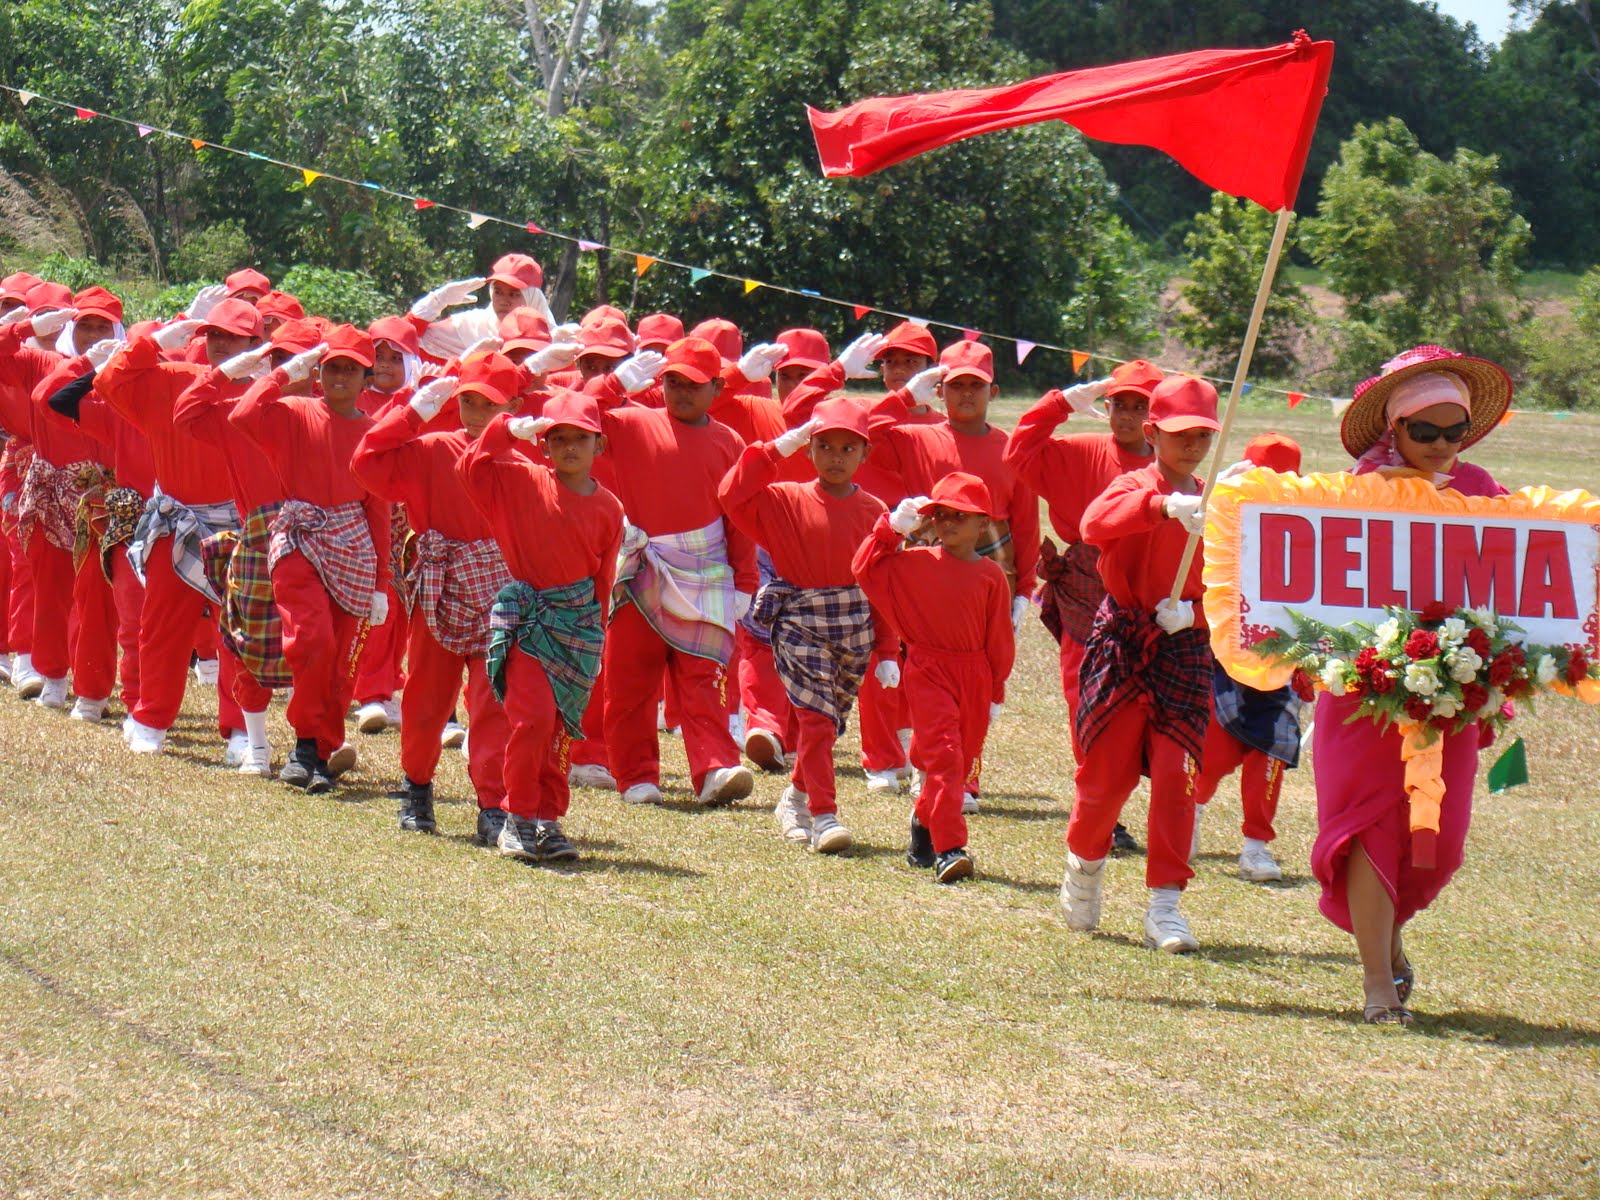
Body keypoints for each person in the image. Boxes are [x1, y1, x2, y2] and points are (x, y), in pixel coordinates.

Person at [1311, 345, 1511, 1025]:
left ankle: (1389, 937)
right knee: (1372, 828)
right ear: (1392, 429)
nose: (1442, 446)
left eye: (1455, 433)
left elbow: (1518, 586)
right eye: (1425, 432)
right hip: (1363, 693)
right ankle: (1376, 986)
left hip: (1452, 694)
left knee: (1439, 841)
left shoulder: (1485, 491)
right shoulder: (1352, 492)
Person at [1058, 375, 1221, 953]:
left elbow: (1237, 588)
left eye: (1204, 435)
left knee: (1178, 777)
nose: (1194, 445)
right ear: (1153, 433)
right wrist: (1161, 507)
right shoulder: (1131, 485)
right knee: (1106, 778)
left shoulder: (1217, 502)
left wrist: (1196, 617)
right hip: (1123, 642)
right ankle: (1084, 869)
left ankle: (1165, 905)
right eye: (1182, 434)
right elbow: (1093, 528)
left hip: (1182, 647)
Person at [865, 339, 1040, 812]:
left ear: (994, 391)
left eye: (975, 386)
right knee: (915, 662)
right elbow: (862, 432)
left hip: (990, 560)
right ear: (939, 390)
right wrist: (905, 397)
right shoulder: (915, 435)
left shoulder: (1010, 448)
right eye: (955, 385)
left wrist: (1023, 588)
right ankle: (906, 758)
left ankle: (965, 777)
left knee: (978, 671)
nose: (966, 394)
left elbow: (1024, 521)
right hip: (927, 550)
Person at [352, 355, 522, 841]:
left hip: (504, 589)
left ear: (512, 405)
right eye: (467, 399)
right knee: (427, 696)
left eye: (488, 403)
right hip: (440, 586)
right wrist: (412, 411)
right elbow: (366, 462)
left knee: (494, 698)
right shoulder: (430, 448)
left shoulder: (524, 459)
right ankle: (417, 788)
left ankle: (493, 803)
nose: (475, 411)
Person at [1004, 359, 1167, 853]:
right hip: (1085, 584)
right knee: (1085, 695)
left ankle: (1133, 803)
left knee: (1146, 704)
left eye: (1141, 406)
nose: (1128, 416)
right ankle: (1096, 808)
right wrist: (1061, 403)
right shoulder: (1080, 450)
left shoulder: (1171, 464)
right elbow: (1020, 449)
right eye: (1119, 404)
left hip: (1149, 585)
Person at [458, 390, 624, 863]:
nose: (570, 447)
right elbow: (471, 467)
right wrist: (507, 428)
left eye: (581, 438)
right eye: (558, 438)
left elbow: (603, 577)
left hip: (578, 627)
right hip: (529, 620)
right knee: (531, 718)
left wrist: (596, 637)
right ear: (544, 446)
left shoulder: (610, 509)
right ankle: (517, 817)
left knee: (558, 726)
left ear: (600, 445)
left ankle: (548, 820)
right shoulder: (521, 481)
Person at [719, 399, 891, 852]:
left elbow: (881, 584)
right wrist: (774, 449)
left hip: (853, 627)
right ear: (809, 450)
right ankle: (824, 815)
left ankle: (794, 798)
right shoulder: (783, 499)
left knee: (827, 725)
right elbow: (732, 494)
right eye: (825, 446)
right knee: (815, 721)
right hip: (798, 621)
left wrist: (889, 651)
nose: (836, 457)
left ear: (864, 454)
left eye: (847, 448)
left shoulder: (877, 512)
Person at [95, 300, 263, 755]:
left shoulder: (266, 395)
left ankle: (241, 730)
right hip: (176, 520)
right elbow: (108, 381)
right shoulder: (174, 380)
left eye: (232, 336)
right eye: (213, 334)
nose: (220, 343)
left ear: (255, 344)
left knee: (238, 631)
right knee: (162, 625)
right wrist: (152, 342)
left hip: (241, 525)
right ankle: (150, 718)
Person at [228, 327, 391, 793]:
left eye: (350, 369)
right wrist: (283, 373)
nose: (340, 376)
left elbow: (377, 508)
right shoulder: (296, 411)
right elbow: (243, 415)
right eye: (332, 367)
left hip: (354, 547)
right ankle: (303, 743)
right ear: (319, 373)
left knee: (341, 661)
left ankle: (321, 753)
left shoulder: (373, 431)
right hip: (298, 538)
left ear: (366, 378)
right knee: (312, 641)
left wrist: (381, 582)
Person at [599, 337, 757, 807]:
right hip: (642, 568)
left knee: (701, 677)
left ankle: (713, 768)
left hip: (706, 572)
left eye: (692, 384)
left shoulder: (730, 442)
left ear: (717, 387)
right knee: (629, 677)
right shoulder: (628, 423)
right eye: (672, 381)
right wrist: (614, 382)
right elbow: (574, 414)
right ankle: (635, 775)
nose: (681, 392)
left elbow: (740, 517)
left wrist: (745, 582)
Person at [854, 471, 1013, 882]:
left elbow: (998, 639)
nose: (949, 523)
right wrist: (890, 530)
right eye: (941, 514)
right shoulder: (913, 563)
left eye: (961, 515)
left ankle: (923, 824)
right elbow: (864, 568)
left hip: (975, 674)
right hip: (927, 670)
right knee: (945, 757)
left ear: (983, 524)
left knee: (953, 760)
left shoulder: (991, 576)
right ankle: (950, 847)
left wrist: (995, 690)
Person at [1191, 433, 1307, 883]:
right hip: (1224, 653)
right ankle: (1191, 818)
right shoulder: (1220, 517)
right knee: (1214, 753)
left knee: (1271, 752)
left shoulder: (1308, 527)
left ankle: (1256, 847)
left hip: (1281, 658)